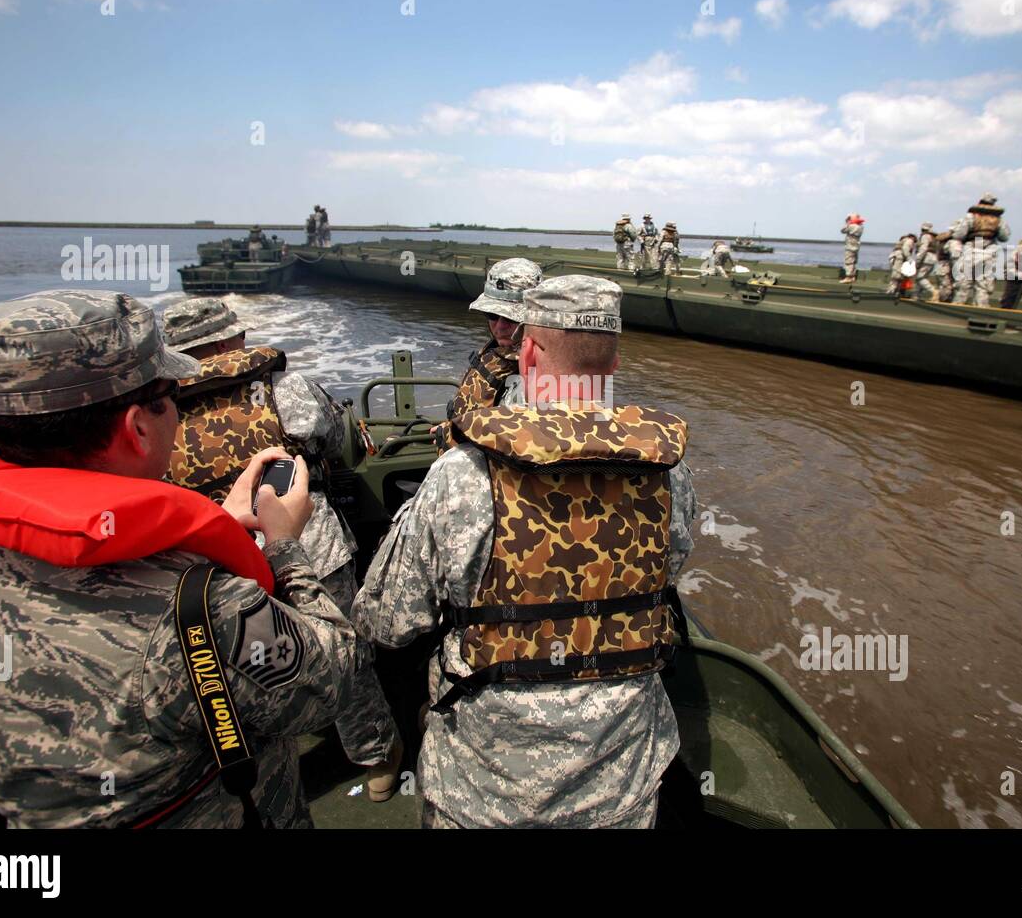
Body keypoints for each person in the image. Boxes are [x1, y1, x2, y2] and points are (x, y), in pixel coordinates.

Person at [0, 290, 369, 827]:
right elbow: (334, 680)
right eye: (171, 397)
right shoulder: (204, 608)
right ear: (138, 427)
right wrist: (283, 548)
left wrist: (217, 531)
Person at [352, 275, 697, 829]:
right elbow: (669, 569)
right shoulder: (670, 477)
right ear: (611, 363)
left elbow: (387, 621)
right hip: (622, 784)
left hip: (484, 788)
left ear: (528, 351)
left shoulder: (464, 474)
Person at [162, 296, 403, 800]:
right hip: (306, 542)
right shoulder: (284, 389)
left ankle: (271, 754)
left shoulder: (159, 411)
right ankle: (377, 756)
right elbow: (338, 438)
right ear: (232, 341)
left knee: (246, 660)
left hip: (215, 557)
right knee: (344, 654)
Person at [432, 258, 543, 452]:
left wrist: (452, 435)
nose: (499, 326)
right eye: (492, 315)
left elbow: (513, 445)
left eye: (510, 318)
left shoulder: (536, 371)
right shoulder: (504, 350)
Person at [952, 192, 1011, 307]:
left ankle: (956, 311)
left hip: (971, 252)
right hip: (988, 254)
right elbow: (1004, 237)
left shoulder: (971, 217)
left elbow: (958, 235)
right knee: (982, 287)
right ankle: (980, 312)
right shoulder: (998, 220)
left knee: (963, 285)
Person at [885, 233, 918, 297]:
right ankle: (891, 291)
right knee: (897, 276)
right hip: (899, 258)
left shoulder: (904, 240)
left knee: (896, 276)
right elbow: (905, 249)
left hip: (895, 257)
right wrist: (909, 259)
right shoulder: (909, 240)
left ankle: (893, 291)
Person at [933, 228, 959, 302]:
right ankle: (943, 300)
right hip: (944, 265)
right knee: (946, 286)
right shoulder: (947, 245)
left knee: (943, 285)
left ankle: (942, 299)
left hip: (941, 266)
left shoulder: (939, 244)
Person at [840, 213, 864, 282]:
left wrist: (847, 222)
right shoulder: (861, 226)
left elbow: (842, 230)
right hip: (856, 246)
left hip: (850, 246)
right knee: (853, 261)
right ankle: (853, 276)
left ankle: (848, 277)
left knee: (848, 261)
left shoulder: (851, 226)